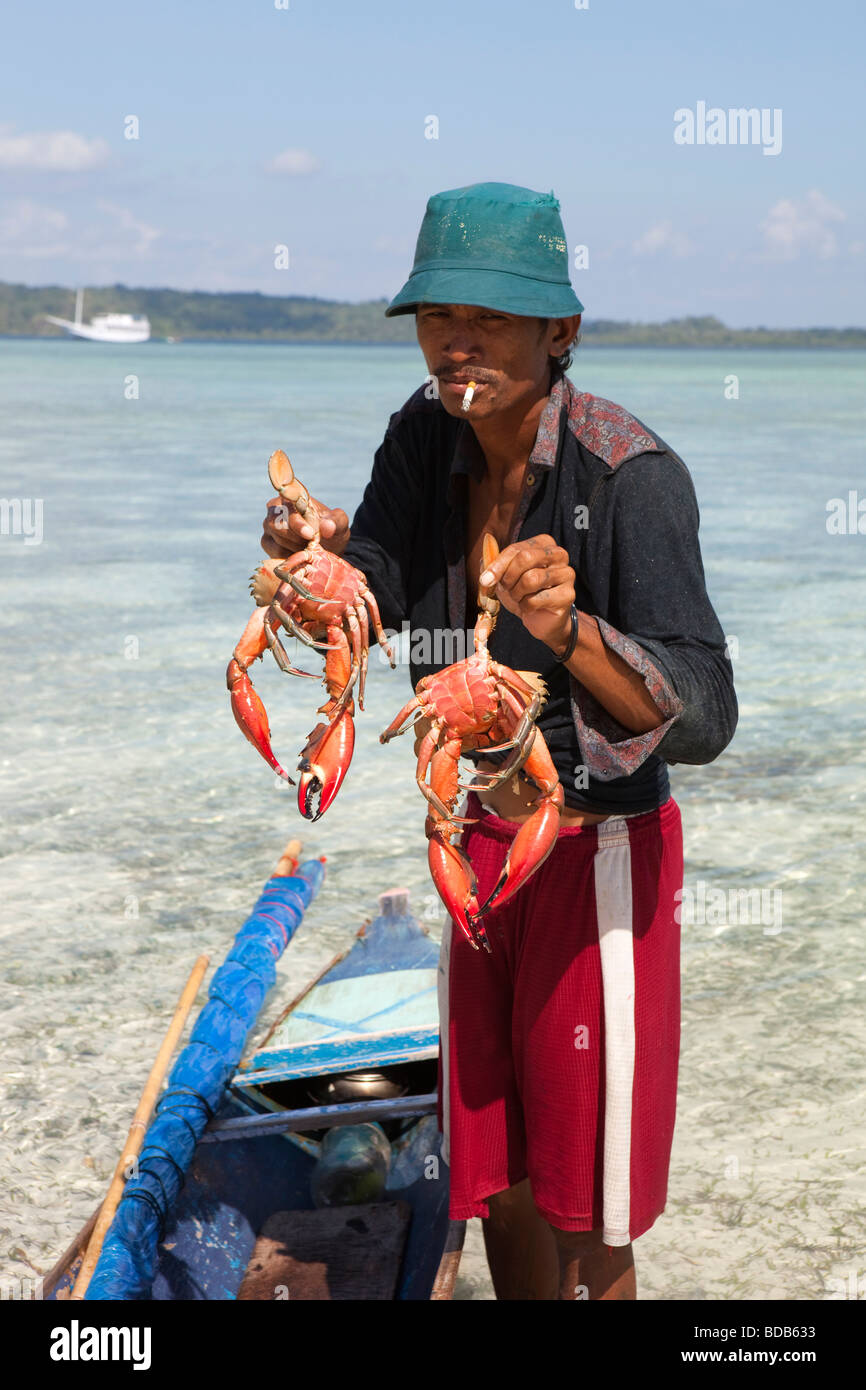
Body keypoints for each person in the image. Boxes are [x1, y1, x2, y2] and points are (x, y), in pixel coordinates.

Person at [262, 182, 738, 1300]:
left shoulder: (631, 476)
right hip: (470, 842)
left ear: (559, 333)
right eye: (436, 317)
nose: (454, 340)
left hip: (595, 861)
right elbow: (376, 578)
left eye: (487, 319)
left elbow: (706, 712)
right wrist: (316, 565)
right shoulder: (421, 438)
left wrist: (567, 633)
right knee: (503, 1178)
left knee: (594, 1209)